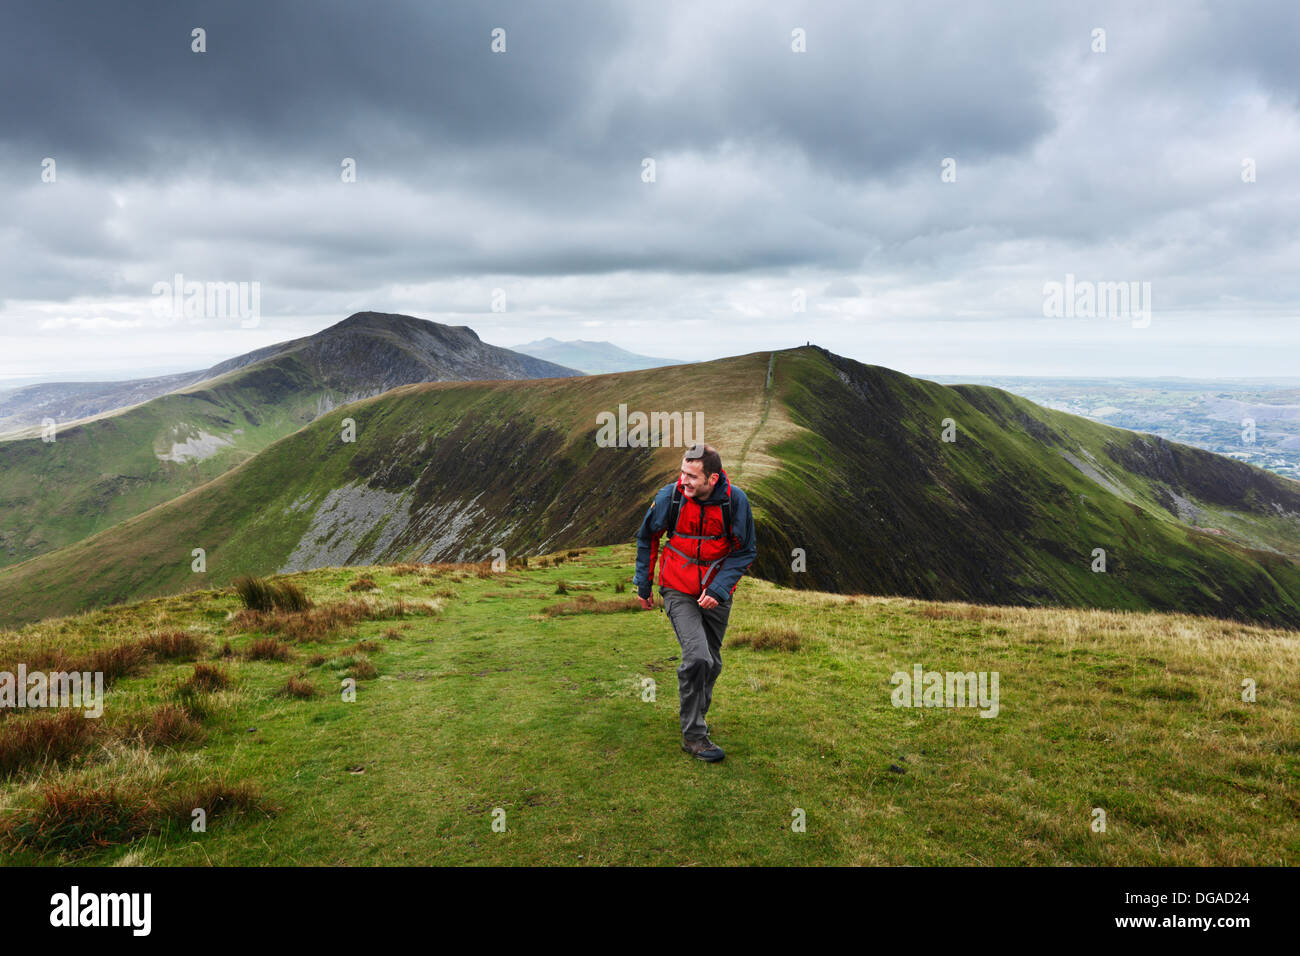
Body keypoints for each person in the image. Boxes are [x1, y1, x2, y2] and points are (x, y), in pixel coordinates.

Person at [633, 443, 757, 762]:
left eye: (691, 476)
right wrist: (644, 585)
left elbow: (745, 550)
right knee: (698, 657)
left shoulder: (735, 501)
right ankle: (694, 736)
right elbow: (647, 536)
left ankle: (695, 717)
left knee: (712, 662)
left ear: (712, 478)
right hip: (677, 587)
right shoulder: (669, 497)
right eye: (682, 472)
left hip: (716, 594)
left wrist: (718, 589)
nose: (683, 481)